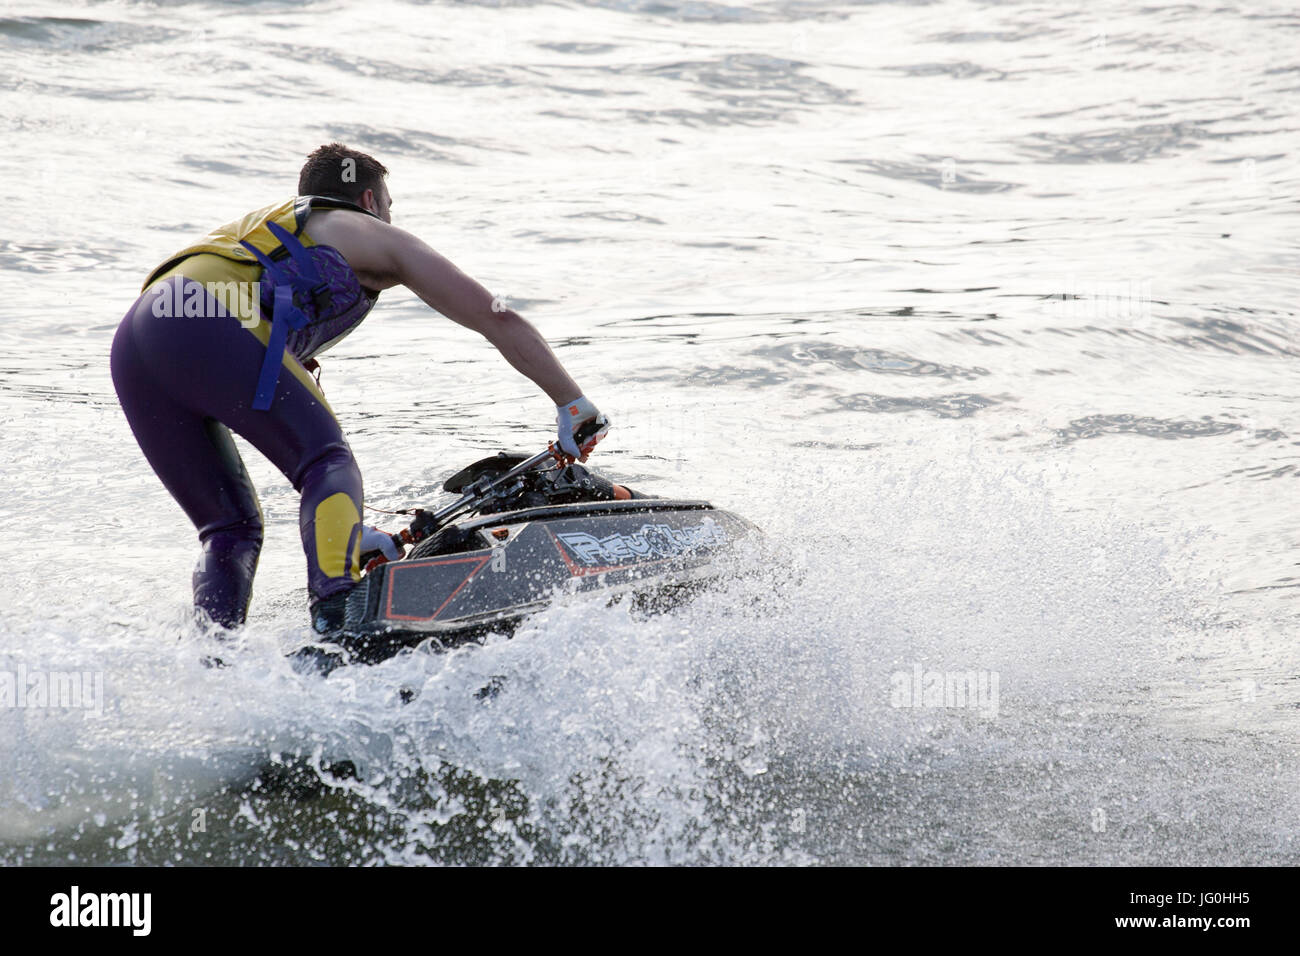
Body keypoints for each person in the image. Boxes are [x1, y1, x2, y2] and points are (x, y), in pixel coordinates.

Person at [110, 143, 607, 643]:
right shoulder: (367, 232)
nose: (389, 217)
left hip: (137, 338)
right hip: (211, 314)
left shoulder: (274, 242)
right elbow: (494, 314)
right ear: (370, 201)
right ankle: (337, 616)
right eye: (389, 206)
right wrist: (571, 401)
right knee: (328, 461)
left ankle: (212, 660)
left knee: (229, 528)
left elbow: (280, 423)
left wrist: (348, 537)